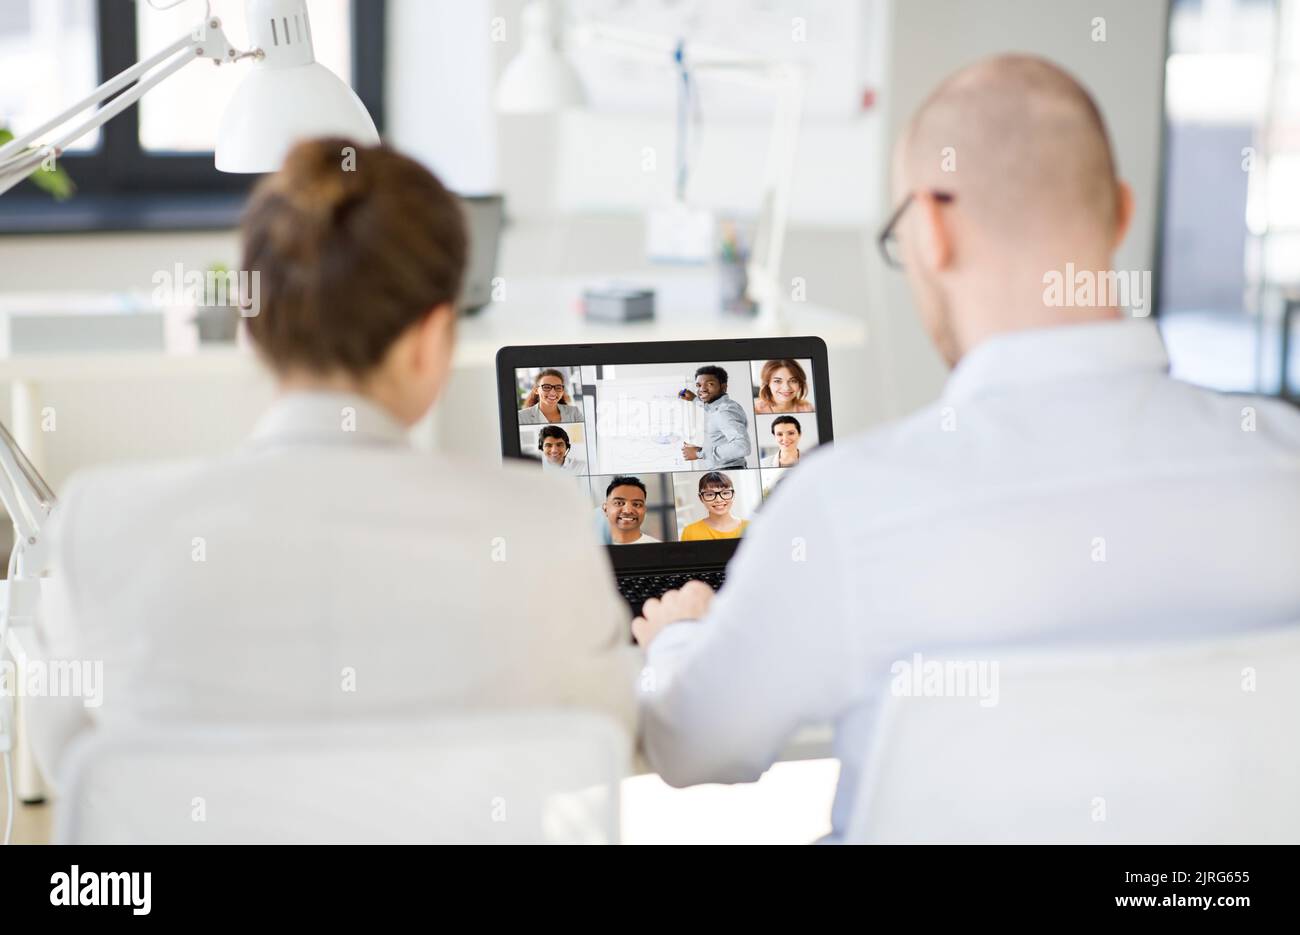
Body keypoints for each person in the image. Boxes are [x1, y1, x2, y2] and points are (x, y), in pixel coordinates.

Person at [631, 55, 1300, 841]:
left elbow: (692, 746)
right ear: (1121, 213)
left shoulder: (845, 509)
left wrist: (681, 634)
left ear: (933, 228)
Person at [30, 139, 639, 782]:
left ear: (252, 324)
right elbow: (606, 746)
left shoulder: (98, 524)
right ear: (429, 341)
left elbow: (79, 776)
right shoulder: (544, 524)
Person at [678, 365, 751, 469]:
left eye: (710, 384)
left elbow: (742, 447)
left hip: (727, 469)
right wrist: (694, 399)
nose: (702, 389)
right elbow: (712, 410)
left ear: (723, 387)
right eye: (698, 385)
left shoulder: (724, 411)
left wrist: (700, 453)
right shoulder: (722, 406)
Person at [679, 472, 749, 541]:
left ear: (733, 495)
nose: (718, 500)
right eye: (710, 494)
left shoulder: (751, 527)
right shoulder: (690, 532)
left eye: (725, 493)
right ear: (701, 498)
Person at [602, 476, 660, 544]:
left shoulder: (659, 547)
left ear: (645, 510)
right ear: (605, 509)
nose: (628, 511)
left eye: (637, 504)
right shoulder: (591, 548)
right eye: (619, 503)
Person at [519, 369, 583, 424]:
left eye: (558, 387)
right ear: (536, 390)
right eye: (546, 387)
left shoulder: (574, 413)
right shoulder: (521, 416)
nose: (553, 393)